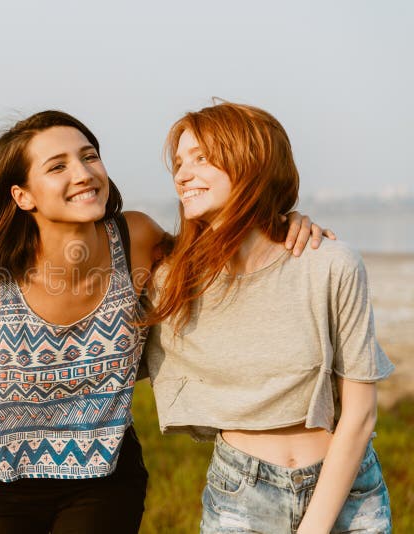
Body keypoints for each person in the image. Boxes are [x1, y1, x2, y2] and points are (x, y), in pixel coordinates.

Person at [0, 110, 324, 534]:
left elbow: (217, 257)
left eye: (89, 156)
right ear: (23, 196)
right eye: (58, 166)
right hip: (2, 482)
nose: (83, 173)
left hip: (105, 480)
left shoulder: (135, 238)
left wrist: (280, 221)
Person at [146, 102, 394, 533]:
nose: (182, 174)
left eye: (201, 158)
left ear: (252, 162)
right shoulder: (173, 281)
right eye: (180, 163)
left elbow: (360, 415)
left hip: (349, 492)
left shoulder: (330, 263)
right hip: (240, 494)